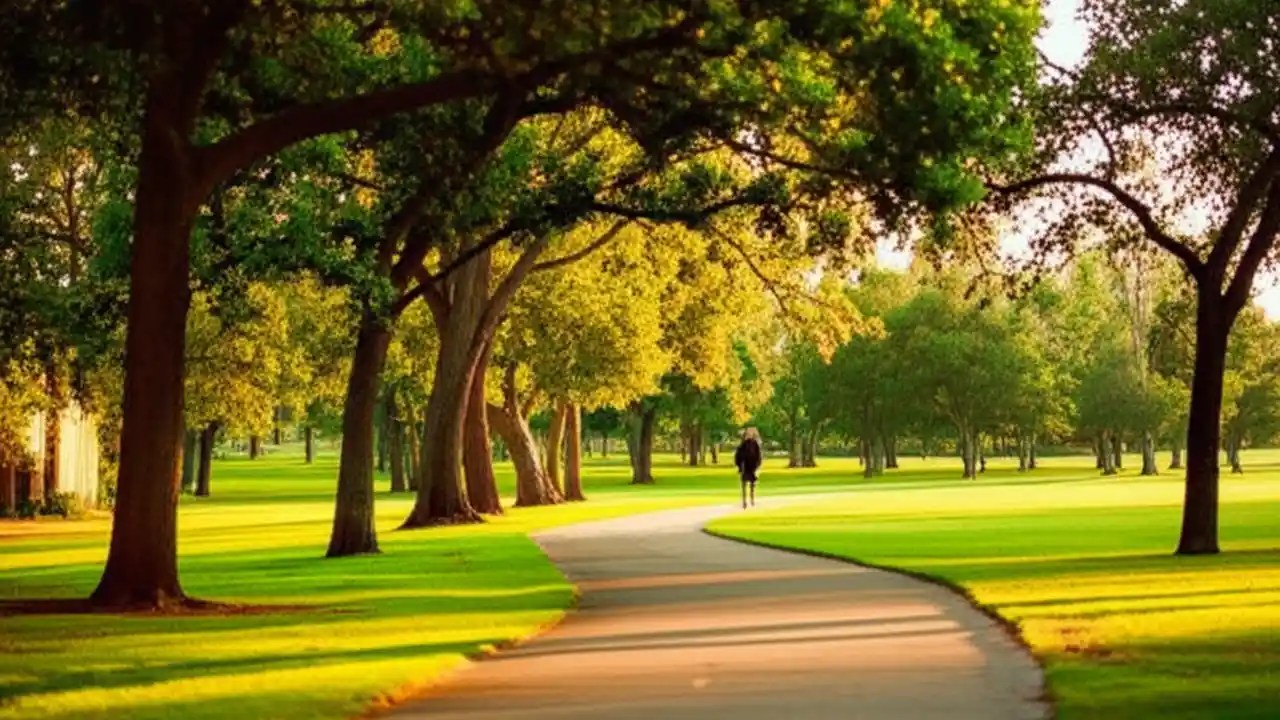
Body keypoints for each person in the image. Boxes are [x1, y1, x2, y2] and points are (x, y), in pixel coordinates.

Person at [734, 428, 763, 509]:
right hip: (744, 466)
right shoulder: (742, 445)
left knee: (752, 485)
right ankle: (744, 501)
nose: (749, 435)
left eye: (750, 434)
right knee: (743, 484)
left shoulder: (755, 444)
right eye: (747, 434)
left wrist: (758, 466)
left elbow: (759, 456)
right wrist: (739, 466)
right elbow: (737, 456)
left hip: (753, 467)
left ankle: (752, 499)